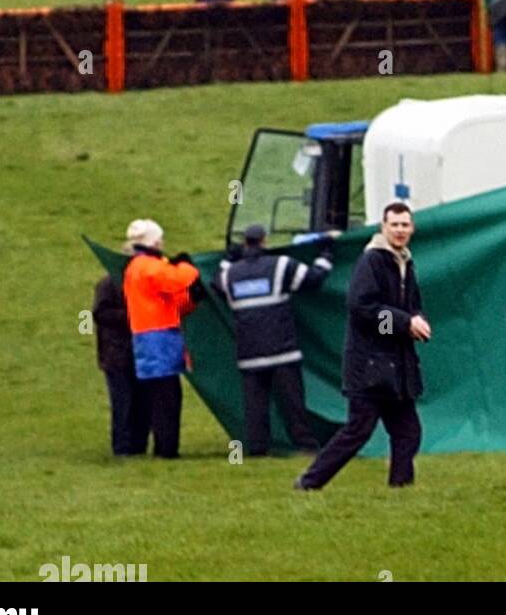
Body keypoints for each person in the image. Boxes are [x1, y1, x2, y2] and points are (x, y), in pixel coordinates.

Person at [295, 202, 430, 492]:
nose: (400, 230)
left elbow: (412, 305)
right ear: (383, 227)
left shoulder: (405, 261)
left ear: (412, 228)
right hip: (369, 366)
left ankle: (400, 489)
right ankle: (309, 482)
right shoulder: (372, 261)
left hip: (397, 366)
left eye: (405, 225)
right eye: (394, 225)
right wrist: (403, 323)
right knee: (358, 431)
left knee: (408, 432)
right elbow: (361, 309)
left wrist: (417, 319)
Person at [215, 223, 336, 457]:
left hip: (249, 352)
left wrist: (227, 259)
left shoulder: (229, 273)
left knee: (255, 405)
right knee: (292, 403)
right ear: (265, 241)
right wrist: (326, 253)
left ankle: (258, 448)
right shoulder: (280, 265)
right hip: (282, 349)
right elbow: (314, 278)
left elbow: (217, 284)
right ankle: (306, 445)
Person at [122, 219, 201, 459]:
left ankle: (160, 446)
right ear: (154, 241)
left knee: (158, 396)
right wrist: (187, 265)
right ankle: (167, 449)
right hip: (159, 336)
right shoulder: (148, 267)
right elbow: (180, 278)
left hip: (149, 334)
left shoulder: (136, 267)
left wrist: (191, 300)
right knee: (166, 397)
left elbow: (169, 302)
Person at [92, 253, 149, 457]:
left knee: (142, 402)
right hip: (116, 355)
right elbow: (100, 314)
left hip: (139, 352)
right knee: (122, 403)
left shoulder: (138, 284)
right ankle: (122, 447)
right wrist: (132, 315)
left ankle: (138, 445)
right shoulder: (108, 285)